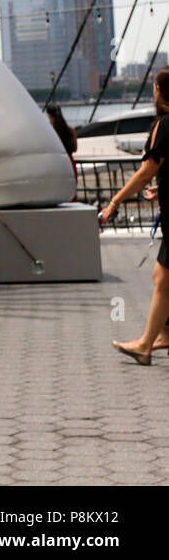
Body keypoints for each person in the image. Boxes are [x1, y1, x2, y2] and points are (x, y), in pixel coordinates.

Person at [106, 68, 169, 364]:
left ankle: (145, 345)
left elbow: (145, 171)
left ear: (158, 89)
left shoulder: (164, 125)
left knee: (163, 279)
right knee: (161, 277)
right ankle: (164, 335)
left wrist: (115, 201)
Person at [45, 103, 79, 200]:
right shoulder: (71, 130)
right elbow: (75, 149)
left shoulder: (51, 132)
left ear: (50, 116)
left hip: (57, 164)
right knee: (72, 193)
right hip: (70, 163)